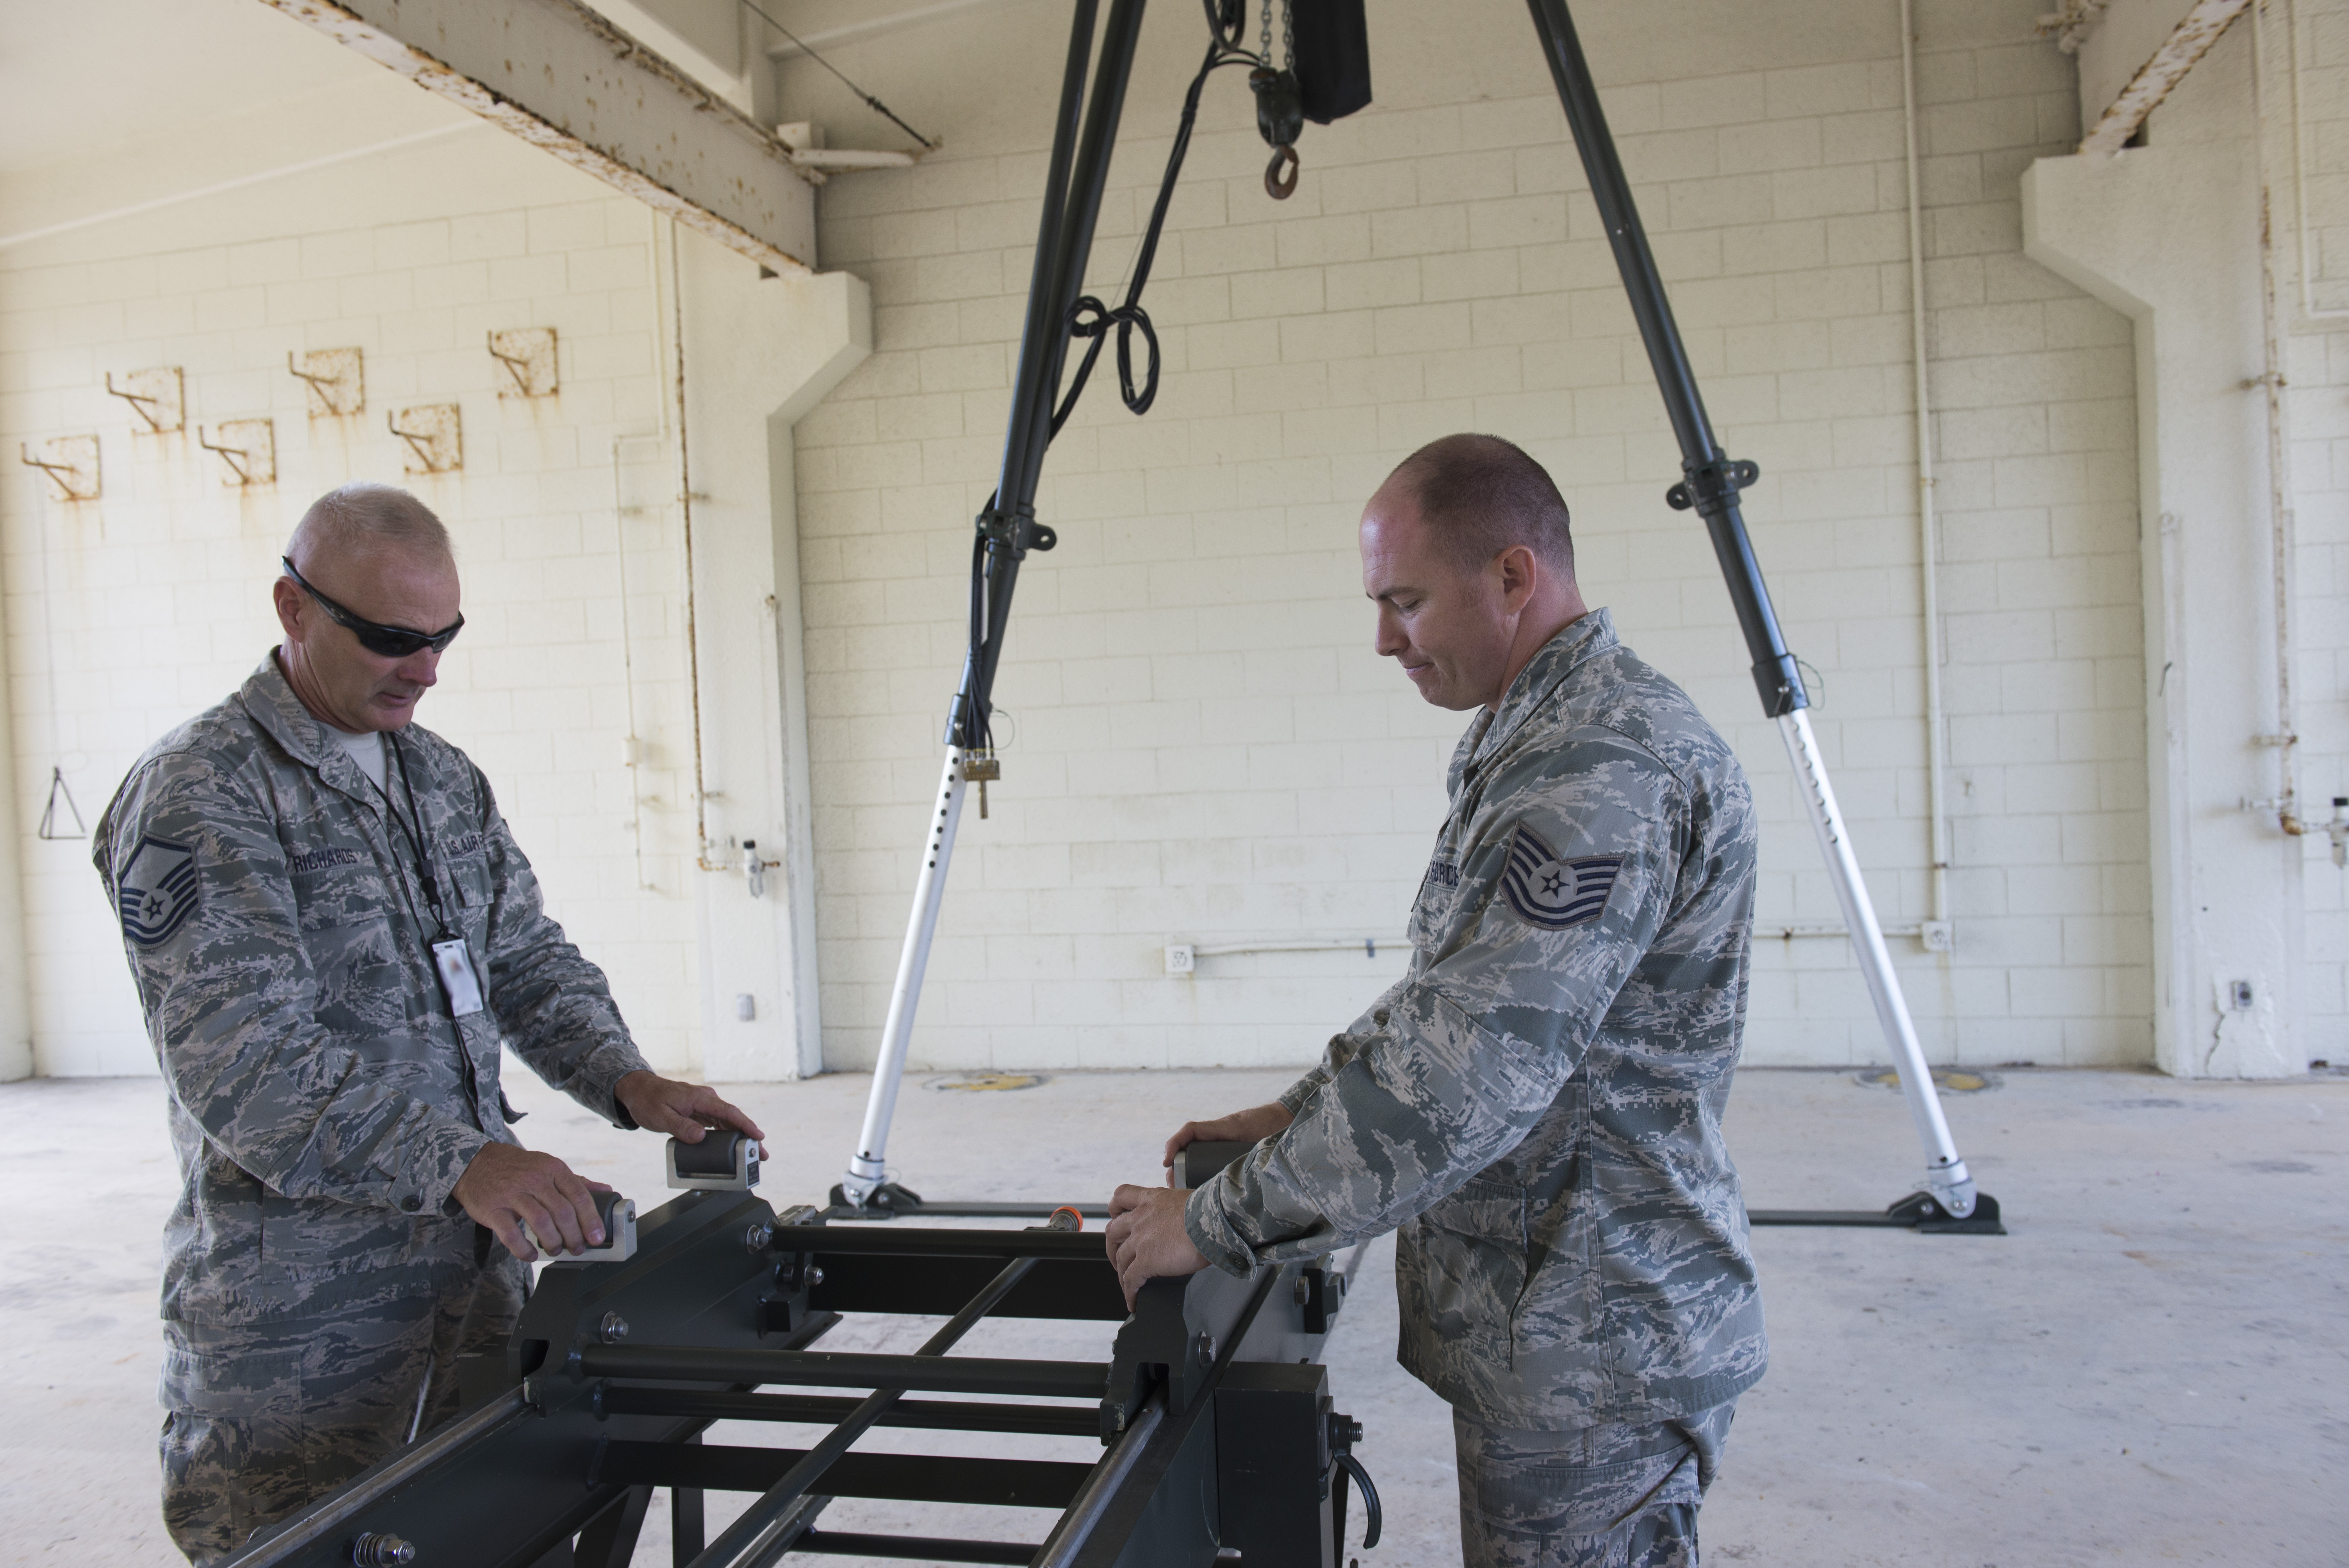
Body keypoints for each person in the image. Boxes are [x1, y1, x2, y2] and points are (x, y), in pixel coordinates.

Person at [1104, 434, 1765, 1567]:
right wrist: (1299, 1114)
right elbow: (1452, 995)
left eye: (1405, 601)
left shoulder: (1595, 765)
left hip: (1593, 1337)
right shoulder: (1541, 733)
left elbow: (1468, 1073)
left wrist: (1214, 1223)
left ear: (1513, 576)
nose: (1383, 639)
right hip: (1563, 1316)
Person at [94, 483, 765, 1564]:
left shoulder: (436, 777)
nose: (427, 669)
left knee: (495, 1531)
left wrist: (626, 1081)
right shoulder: (201, 792)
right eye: (394, 639)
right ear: (294, 608)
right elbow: (248, 1068)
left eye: (445, 636)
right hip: (302, 1329)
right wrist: (469, 1161)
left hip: (469, 1287)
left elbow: (519, 958)